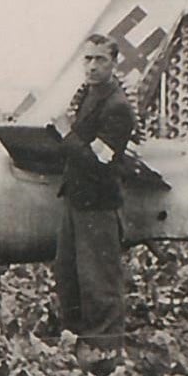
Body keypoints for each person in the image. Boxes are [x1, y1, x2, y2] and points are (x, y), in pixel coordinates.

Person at [47, 33, 136, 353]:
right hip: (77, 201)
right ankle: (79, 347)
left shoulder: (117, 107)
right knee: (69, 277)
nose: (92, 66)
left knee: (100, 285)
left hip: (97, 205)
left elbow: (99, 162)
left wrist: (65, 133)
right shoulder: (88, 95)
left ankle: (106, 357)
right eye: (87, 59)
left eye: (100, 59)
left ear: (114, 63)